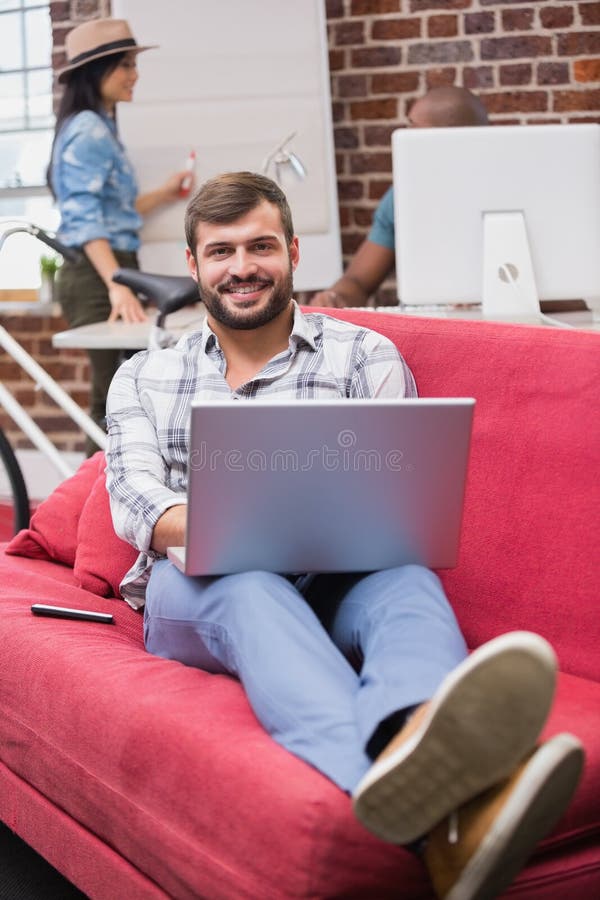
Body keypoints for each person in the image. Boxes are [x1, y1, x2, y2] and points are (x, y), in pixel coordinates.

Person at [105, 172, 583, 900]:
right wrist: (245, 532)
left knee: (409, 579)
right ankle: (446, 809)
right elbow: (138, 503)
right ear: (195, 267)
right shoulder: (146, 375)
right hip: (194, 587)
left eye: (261, 246)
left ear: (293, 251)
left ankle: (421, 748)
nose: (243, 267)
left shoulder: (365, 356)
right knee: (248, 584)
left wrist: (340, 533)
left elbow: (403, 503)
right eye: (222, 252)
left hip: (341, 577)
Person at [48, 18, 193, 452]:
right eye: (126, 65)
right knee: (111, 395)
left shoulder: (101, 127)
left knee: (126, 389)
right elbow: (85, 217)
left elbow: (113, 211)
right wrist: (116, 282)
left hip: (111, 266)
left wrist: (165, 195)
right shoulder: (90, 129)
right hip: (98, 271)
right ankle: (96, 504)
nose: (136, 74)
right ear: (98, 71)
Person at [308, 85, 489, 309]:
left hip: (496, 327)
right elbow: (359, 281)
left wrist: (489, 297)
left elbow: (545, 292)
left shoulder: (509, 192)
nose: (405, 136)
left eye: (414, 129)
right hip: (424, 329)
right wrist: (336, 297)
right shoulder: (400, 198)